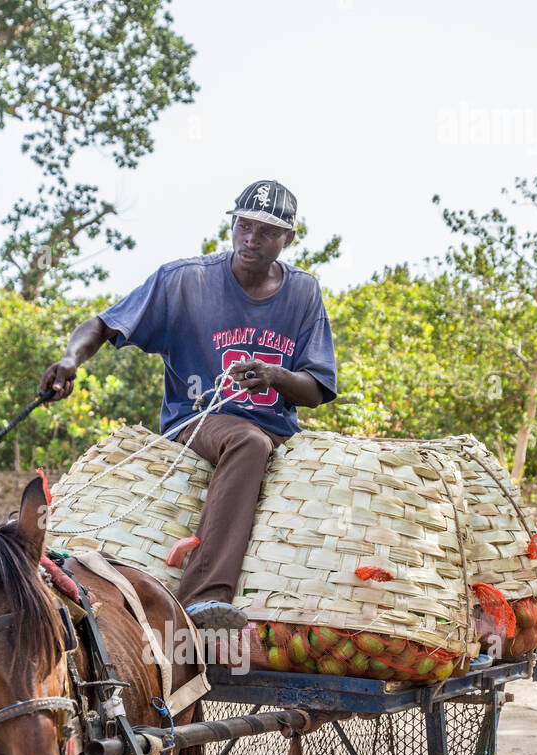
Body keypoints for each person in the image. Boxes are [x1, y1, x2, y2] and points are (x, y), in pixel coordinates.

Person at [39, 179, 337, 629]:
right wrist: (68, 359)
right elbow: (103, 324)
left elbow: (315, 389)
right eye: (244, 225)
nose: (251, 238)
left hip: (278, 429)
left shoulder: (302, 293)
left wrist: (275, 377)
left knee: (302, 461)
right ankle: (200, 601)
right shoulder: (186, 280)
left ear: (287, 239)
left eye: (266, 231)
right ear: (233, 225)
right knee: (248, 443)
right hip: (199, 420)